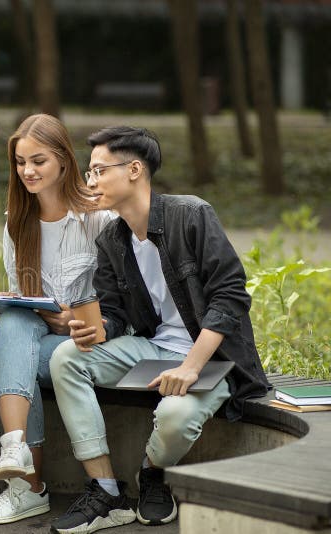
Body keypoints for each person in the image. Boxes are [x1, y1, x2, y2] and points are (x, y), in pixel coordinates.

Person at [48, 126, 270, 534]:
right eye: (89, 171)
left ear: (134, 169)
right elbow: (115, 312)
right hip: (153, 349)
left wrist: (190, 366)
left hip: (213, 359)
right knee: (66, 358)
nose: (89, 180)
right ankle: (105, 490)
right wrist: (96, 330)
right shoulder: (112, 240)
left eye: (98, 170)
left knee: (173, 416)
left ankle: (153, 473)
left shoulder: (191, 215)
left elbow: (230, 296)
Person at [0, 114, 115, 526]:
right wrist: (12, 303)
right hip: (42, 340)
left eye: (38, 161)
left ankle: (26, 488)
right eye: (20, 162)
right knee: (14, 326)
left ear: (63, 162)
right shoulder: (18, 224)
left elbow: (123, 304)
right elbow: (29, 296)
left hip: (90, 343)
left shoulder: (98, 220)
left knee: (14, 354)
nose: (27, 171)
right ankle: (15, 445)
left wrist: (74, 317)